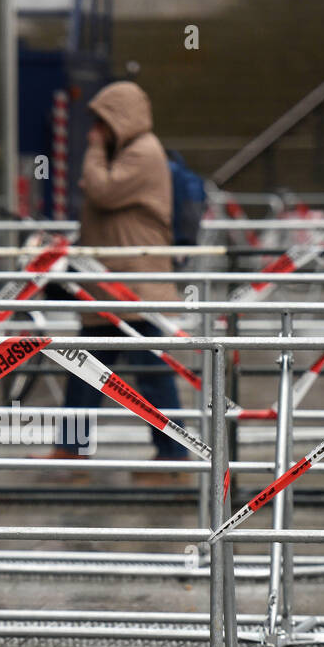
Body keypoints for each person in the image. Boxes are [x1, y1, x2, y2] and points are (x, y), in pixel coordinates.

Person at [48, 81, 188, 474]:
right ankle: (72, 447)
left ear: (119, 120)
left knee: (151, 374)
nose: (94, 130)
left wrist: (93, 152)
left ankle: (174, 453)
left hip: (134, 285)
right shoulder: (128, 152)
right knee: (87, 367)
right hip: (113, 286)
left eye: (100, 122)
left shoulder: (143, 152)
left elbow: (104, 191)